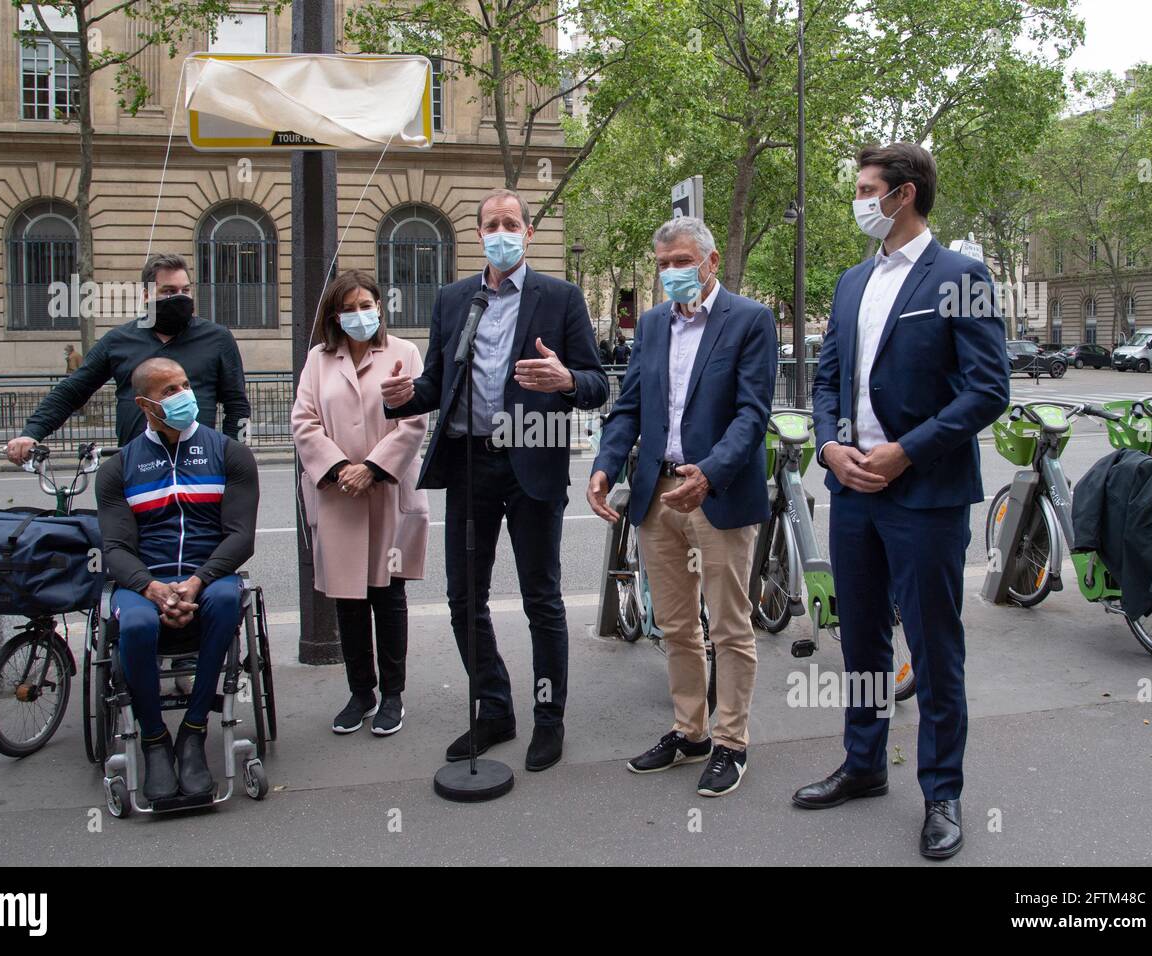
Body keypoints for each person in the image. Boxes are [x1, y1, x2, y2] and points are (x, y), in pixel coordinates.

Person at [795, 143, 1008, 858]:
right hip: (852, 492)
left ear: (904, 193)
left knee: (934, 648)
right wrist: (828, 447)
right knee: (860, 641)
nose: (857, 201)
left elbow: (988, 389)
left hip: (925, 497)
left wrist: (906, 450)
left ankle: (941, 793)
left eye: (865, 189)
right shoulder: (852, 281)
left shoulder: (962, 275)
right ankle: (863, 766)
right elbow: (826, 383)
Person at [379, 187, 607, 772]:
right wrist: (407, 398)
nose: (500, 232)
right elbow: (436, 382)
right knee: (463, 598)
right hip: (470, 460)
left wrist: (564, 381)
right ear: (478, 233)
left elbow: (597, 384)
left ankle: (548, 718)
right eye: (490, 224)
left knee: (542, 599)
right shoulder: (455, 299)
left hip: (534, 457)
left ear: (528, 234)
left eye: (511, 223)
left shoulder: (561, 298)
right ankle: (495, 708)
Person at [588, 217, 775, 797]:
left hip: (715, 495)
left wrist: (710, 473)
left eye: (682, 261)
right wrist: (604, 465)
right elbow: (628, 409)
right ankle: (690, 731)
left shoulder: (750, 320)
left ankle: (731, 742)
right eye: (663, 263)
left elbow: (752, 414)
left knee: (728, 624)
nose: (671, 272)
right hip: (655, 495)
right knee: (673, 624)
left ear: (711, 262)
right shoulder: (649, 326)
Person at [95, 357, 259, 802]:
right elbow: (114, 548)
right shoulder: (117, 468)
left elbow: (242, 536)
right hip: (144, 582)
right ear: (144, 404)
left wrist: (198, 582)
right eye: (169, 391)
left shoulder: (229, 453)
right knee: (136, 624)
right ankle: (154, 740)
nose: (184, 395)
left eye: (185, 384)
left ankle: (192, 731)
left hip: (210, 578)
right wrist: (152, 588)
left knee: (228, 601)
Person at [291, 270, 429, 737]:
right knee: (347, 599)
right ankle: (360, 693)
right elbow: (304, 422)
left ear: (380, 306)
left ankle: (393, 695)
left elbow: (413, 422)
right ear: (334, 315)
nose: (358, 314)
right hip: (337, 495)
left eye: (365, 304)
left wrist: (370, 467)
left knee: (388, 595)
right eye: (347, 308)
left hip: (386, 489)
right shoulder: (318, 359)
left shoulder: (404, 353)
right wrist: (336, 468)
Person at [5, 253, 251, 462]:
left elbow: (238, 406)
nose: (179, 297)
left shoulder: (218, 338)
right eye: (168, 291)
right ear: (146, 295)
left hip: (199, 466)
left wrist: (234, 458)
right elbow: (73, 390)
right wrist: (31, 432)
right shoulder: (118, 341)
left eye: (185, 290)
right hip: (135, 464)